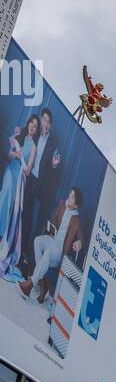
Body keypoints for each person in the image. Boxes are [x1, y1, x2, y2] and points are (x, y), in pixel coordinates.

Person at [19, 187, 83, 304]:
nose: (69, 197)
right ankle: (44, 286)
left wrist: (79, 242)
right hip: (52, 240)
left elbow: (81, 237)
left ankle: (30, 284)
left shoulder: (77, 220)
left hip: (59, 251)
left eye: (72, 197)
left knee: (47, 253)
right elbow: (53, 219)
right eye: (70, 194)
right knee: (37, 241)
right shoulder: (62, 204)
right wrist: (52, 229)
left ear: (76, 205)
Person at [20, 107, 62, 272]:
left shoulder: (53, 146)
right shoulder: (35, 136)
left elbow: (55, 173)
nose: (45, 124)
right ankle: (19, 252)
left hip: (41, 188)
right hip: (29, 180)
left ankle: (28, 262)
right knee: (25, 217)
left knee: (37, 224)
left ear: (50, 125)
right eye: (43, 120)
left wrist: (54, 165)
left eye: (48, 122)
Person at [0, 115, 39, 279]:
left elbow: (28, 171)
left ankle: (4, 241)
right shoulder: (19, 135)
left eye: (36, 126)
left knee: (13, 210)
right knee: (4, 199)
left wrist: (22, 157)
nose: (33, 126)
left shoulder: (34, 148)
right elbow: (9, 155)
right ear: (28, 123)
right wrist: (15, 156)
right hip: (11, 171)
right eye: (32, 123)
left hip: (20, 180)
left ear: (36, 131)